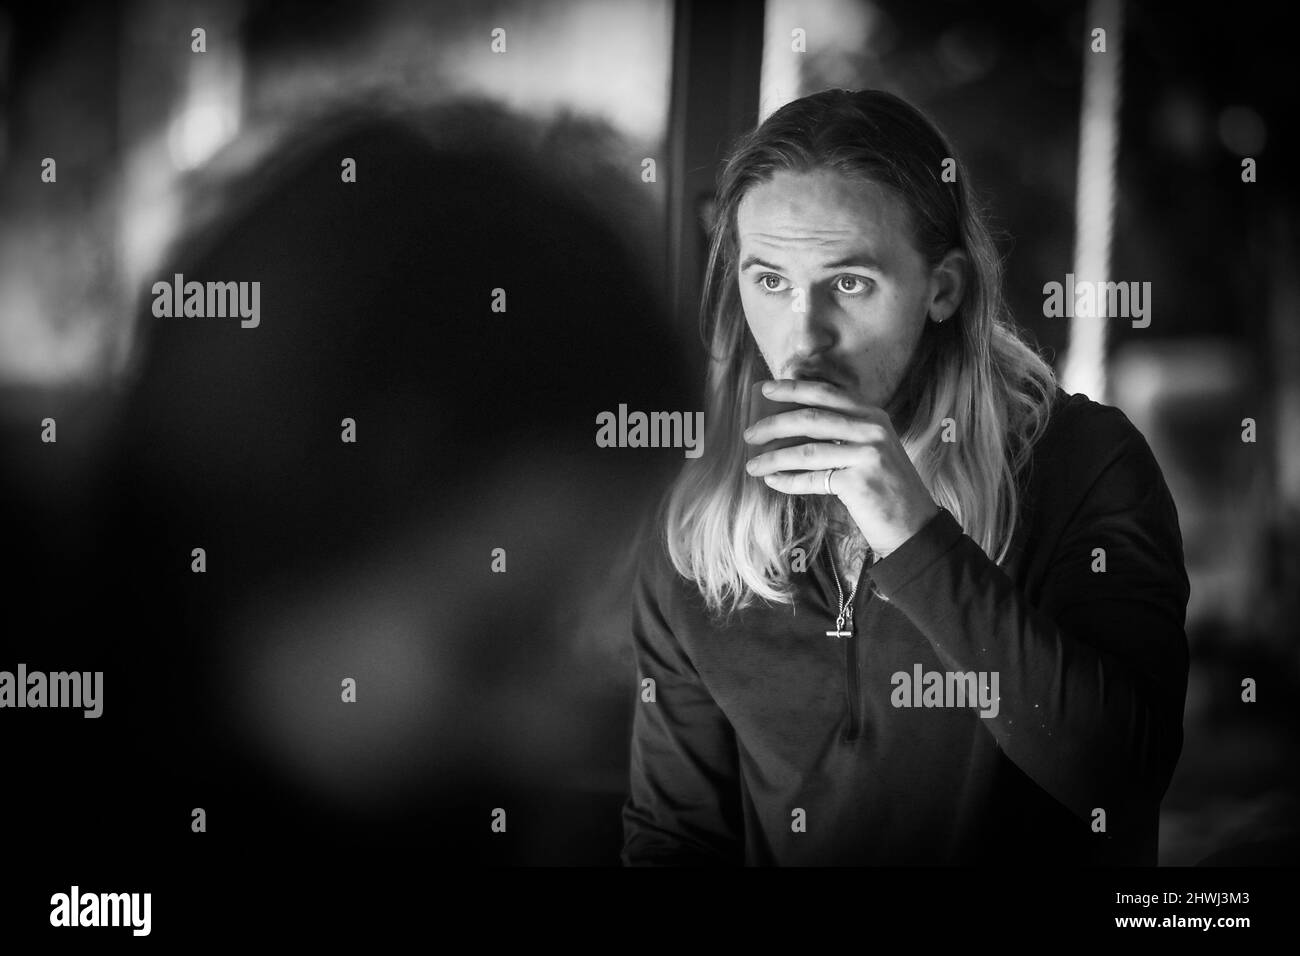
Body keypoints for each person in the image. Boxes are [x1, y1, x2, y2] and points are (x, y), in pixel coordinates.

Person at [620, 88, 1190, 865]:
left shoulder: (1086, 463)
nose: (804, 332)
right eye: (771, 281)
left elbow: (1121, 779)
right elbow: (675, 836)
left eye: (850, 284)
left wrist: (913, 534)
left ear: (943, 289)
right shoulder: (698, 512)